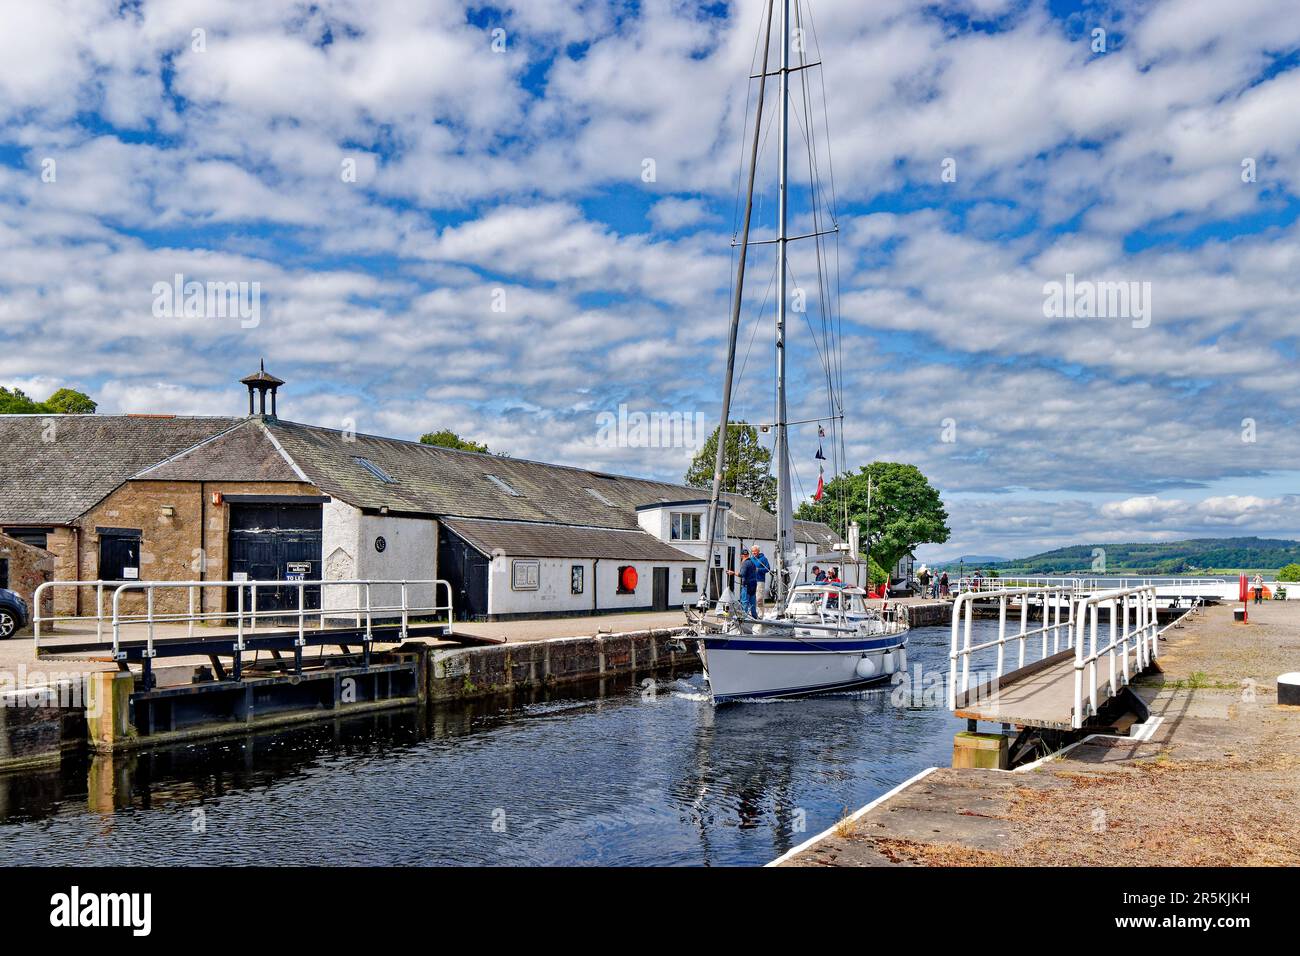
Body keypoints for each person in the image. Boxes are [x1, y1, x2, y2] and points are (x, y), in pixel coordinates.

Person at [727, 545, 765, 617]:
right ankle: (755, 617)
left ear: (742, 556)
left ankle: (745, 618)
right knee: (753, 603)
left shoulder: (745, 563)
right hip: (754, 585)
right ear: (747, 555)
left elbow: (742, 574)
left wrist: (733, 573)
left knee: (745, 602)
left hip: (747, 585)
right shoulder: (752, 562)